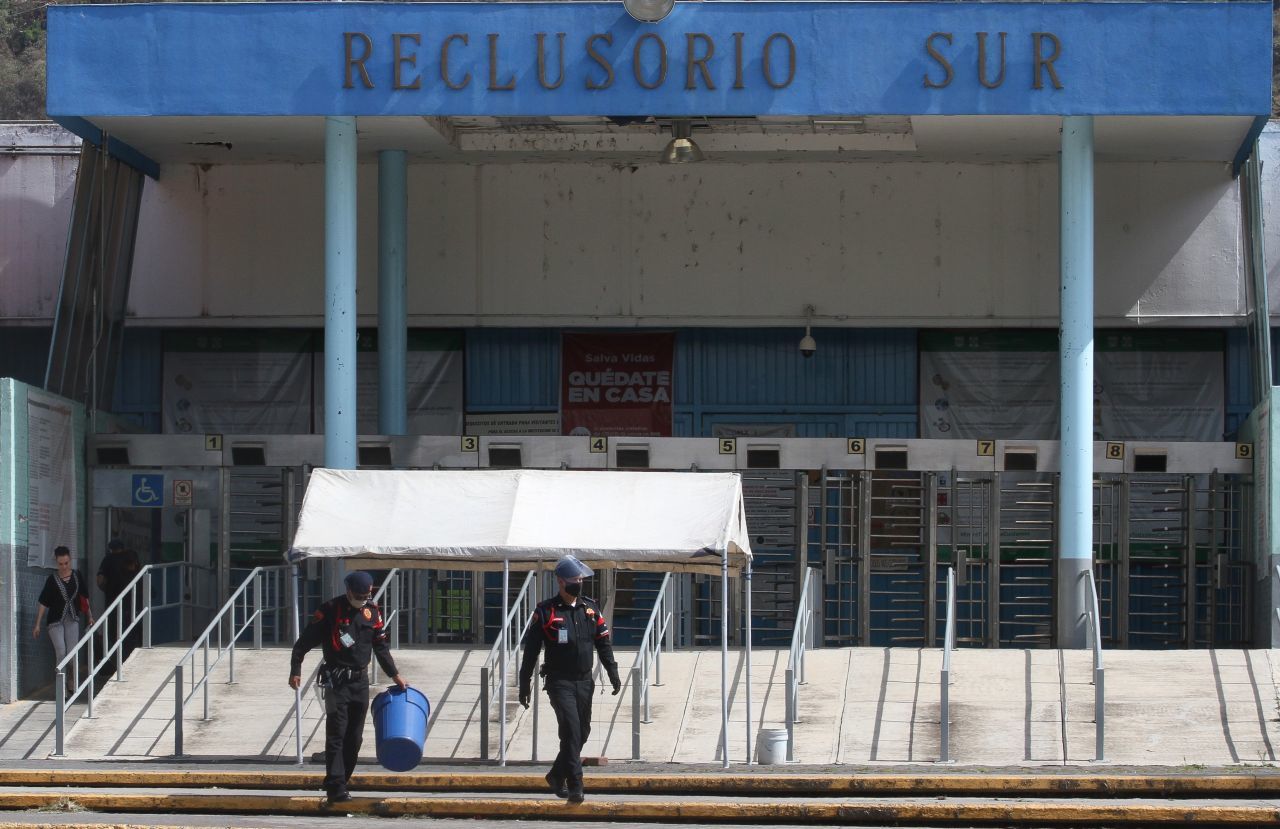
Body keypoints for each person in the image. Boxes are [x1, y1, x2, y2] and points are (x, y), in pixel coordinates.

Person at [289, 571, 408, 805]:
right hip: (336, 681)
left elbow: (380, 647)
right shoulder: (330, 610)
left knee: (354, 737)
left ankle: (341, 779)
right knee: (337, 733)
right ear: (348, 591)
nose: (362, 599)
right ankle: (336, 787)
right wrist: (296, 669)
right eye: (359, 595)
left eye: (366, 595)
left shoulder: (371, 612)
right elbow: (303, 642)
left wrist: (395, 675)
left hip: (360, 682)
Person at [518, 555, 621, 805]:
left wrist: (612, 672)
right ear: (561, 581)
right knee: (571, 731)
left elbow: (603, 644)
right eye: (574, 579)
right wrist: (524, 684)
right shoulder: (546, 612)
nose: (579, 583)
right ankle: (575, 784)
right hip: (559, 681)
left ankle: (555, 775)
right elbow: (531, 651)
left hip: (585, 681)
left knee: (582, 732)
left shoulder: (590, 609)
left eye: (580, 579)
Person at [33, 545, 93, 693]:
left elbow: (84, 598)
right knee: (61, 651)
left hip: (72, 618)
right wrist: (37, 624)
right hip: (55, 621)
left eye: (66, 563)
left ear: (70, 560)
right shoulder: (52, 580)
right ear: (56, 563)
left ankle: (72, 679)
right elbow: (43, 602)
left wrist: (90, 616)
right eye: (60, 564)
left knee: (72, 652)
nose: (64, 566)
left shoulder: (77, 575)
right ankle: (62, 686)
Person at [97, 538, 141, 660]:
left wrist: (107, 590)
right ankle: (129, 659)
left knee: (115, 634)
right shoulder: (132, 559)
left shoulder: (108, 560)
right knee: (132, 634)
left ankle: (119, 661)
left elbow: (100, 581)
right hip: (134, 604)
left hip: (114, 603)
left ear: (111, 549)